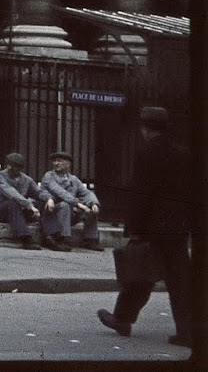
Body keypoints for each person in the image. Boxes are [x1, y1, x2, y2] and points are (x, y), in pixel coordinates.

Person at [98, 106, 193, 347]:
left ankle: (122, 318)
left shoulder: (147, 152)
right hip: (178, 227)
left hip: (152, 225)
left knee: (139, 272)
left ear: (144, 128)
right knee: (181, 279)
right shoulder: (182, 152)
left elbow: (141, 193)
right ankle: (188, 331)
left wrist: (134, 226)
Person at [40, 150, 101, 251]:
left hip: (70, 214)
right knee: (64, 205)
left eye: (59, 161)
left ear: (68, 164)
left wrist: (94, 203)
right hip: (52, 213)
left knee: (92, 209)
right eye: (55, 161)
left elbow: (86, 193)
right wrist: (79, 204)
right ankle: (63, 238)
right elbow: (60, 192)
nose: (56, 163)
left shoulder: (74, 179)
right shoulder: (49, 176)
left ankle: (90, 239)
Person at [0, 152, 45, 250]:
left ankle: (50, 236)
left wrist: (49, 199)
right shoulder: (0, 176)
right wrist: (30, 206)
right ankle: (25, 238)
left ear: (20, 168)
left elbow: (38, 192)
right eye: (8, 165)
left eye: (14, 166)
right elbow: (12, 194)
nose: (9, 168)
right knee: (12, 203)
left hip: (19, 210)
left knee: (43, 204)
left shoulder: (26, 179)